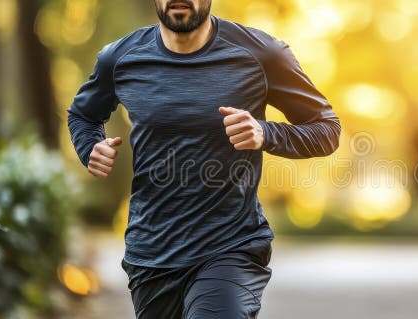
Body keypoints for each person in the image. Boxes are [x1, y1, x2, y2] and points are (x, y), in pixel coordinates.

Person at [66, 0, 341, 318]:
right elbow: (83, 115)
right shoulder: (120, 58)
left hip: (231, 247)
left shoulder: (262, 54)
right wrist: (90, 148)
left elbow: (326, 129)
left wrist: (266, 133)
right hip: (152, 254)